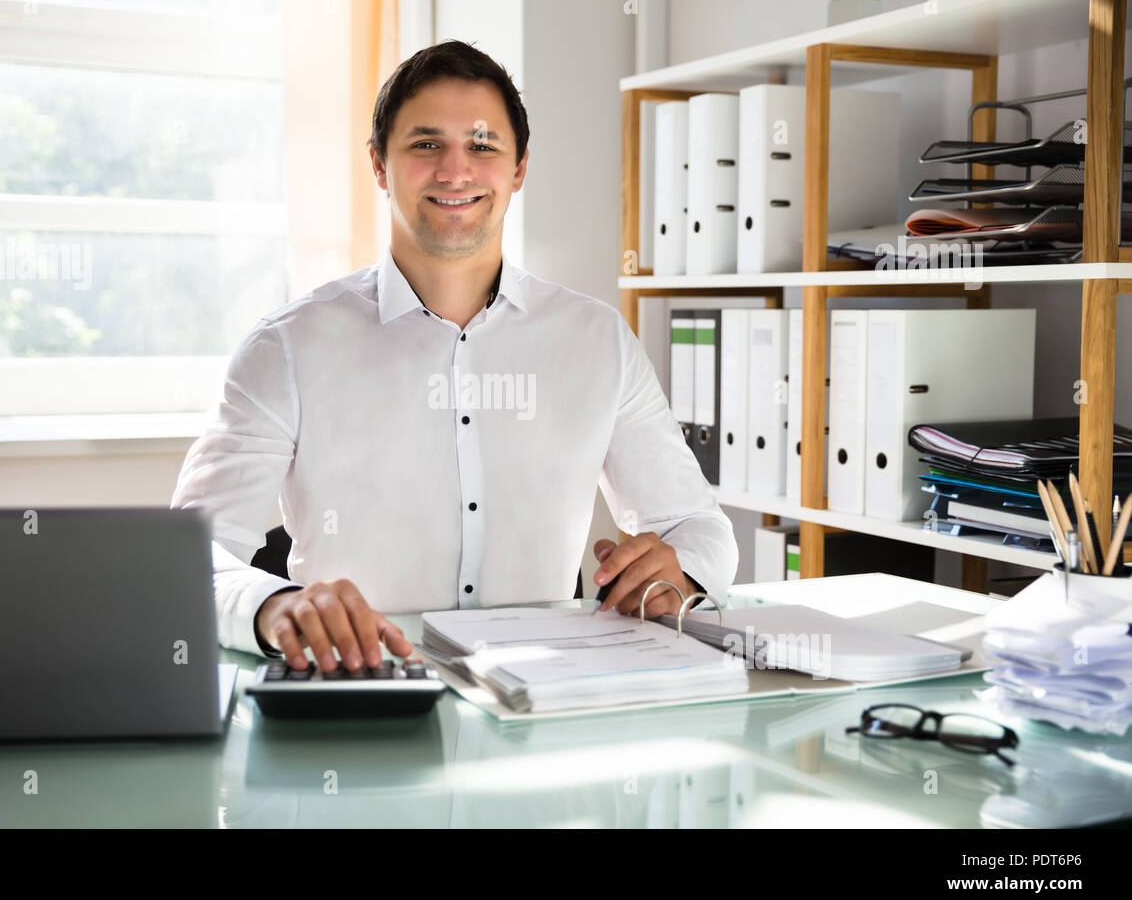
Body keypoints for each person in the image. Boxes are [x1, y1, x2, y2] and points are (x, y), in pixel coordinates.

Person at [171, 40, 737, 673]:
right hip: (362, 701)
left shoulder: (597, 340)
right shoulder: (284, 348)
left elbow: (698, 523)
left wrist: (681, 568)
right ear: (380, 166)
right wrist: (274, 608)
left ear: (519, 167)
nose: (454, 171)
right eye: (425, 144)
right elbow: (186, 558)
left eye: (482, 145)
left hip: (548, 703)